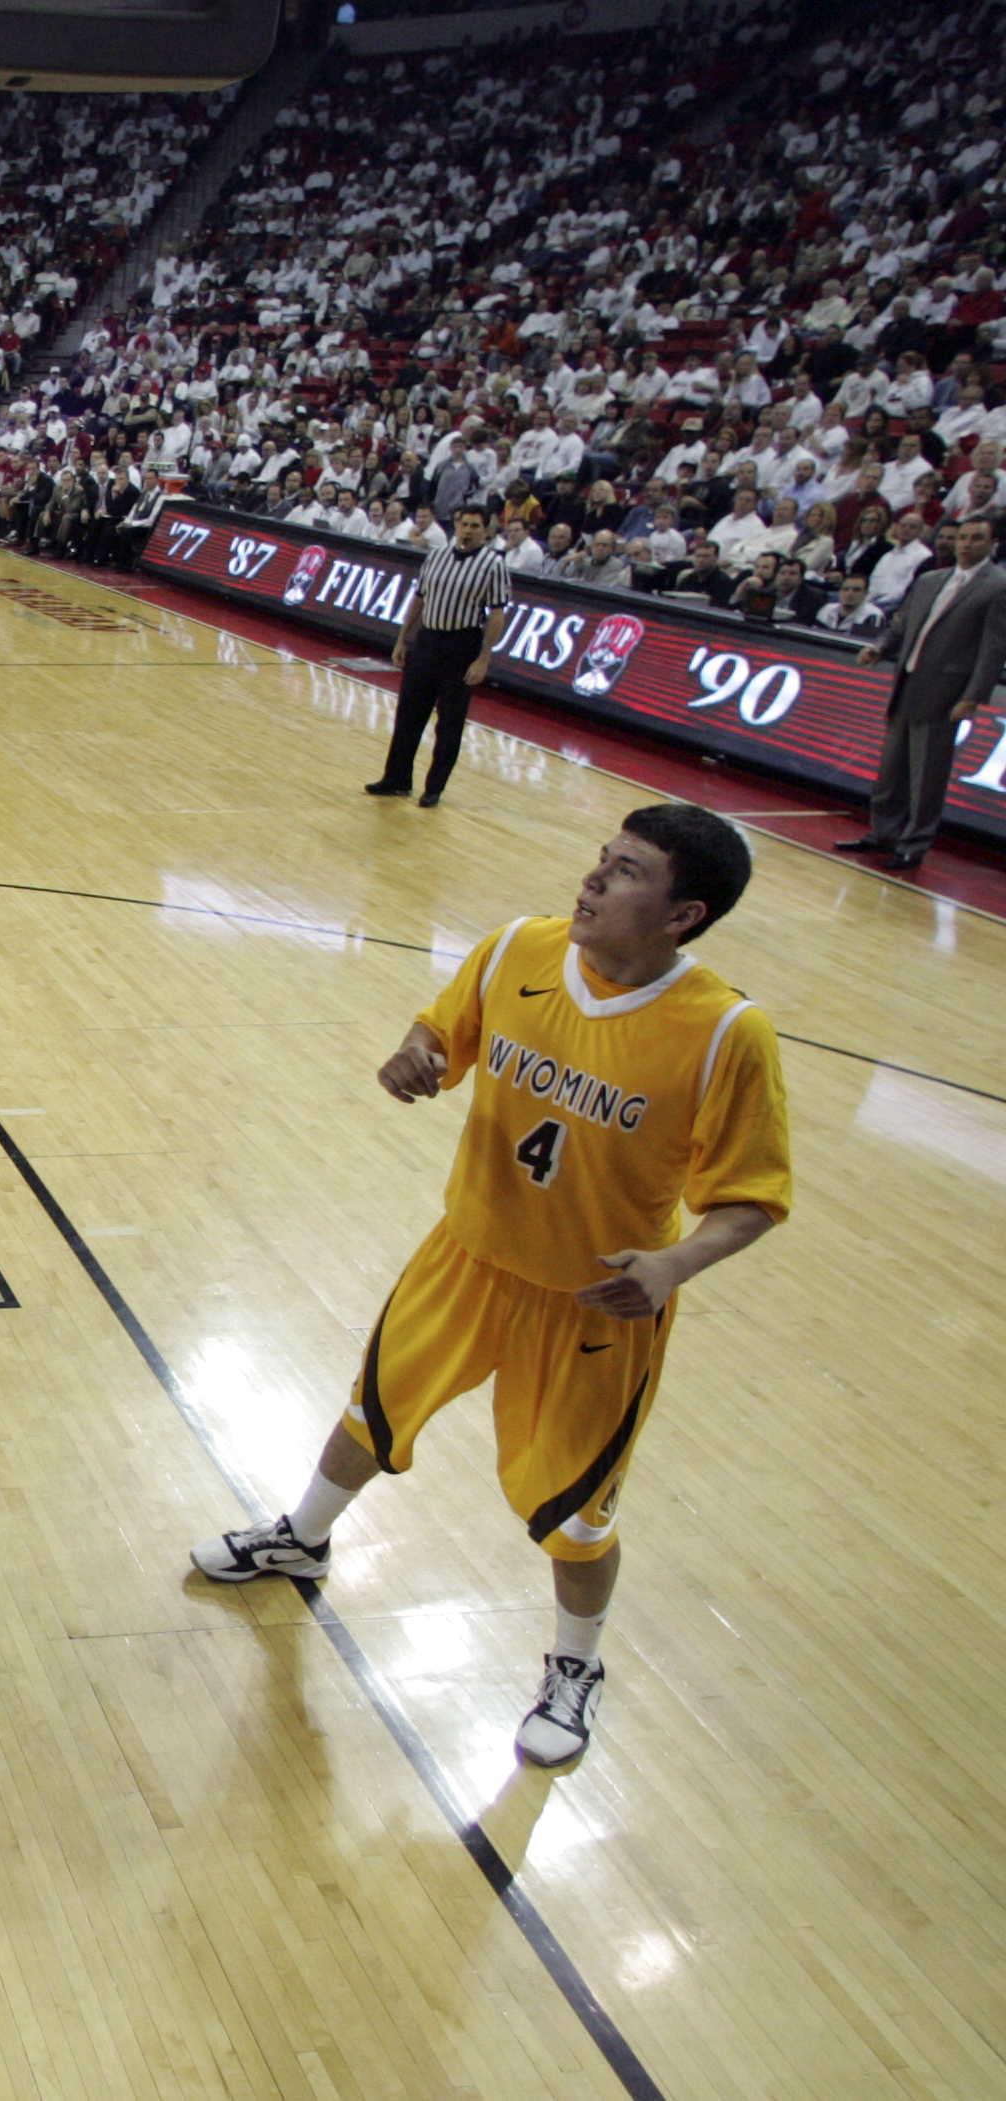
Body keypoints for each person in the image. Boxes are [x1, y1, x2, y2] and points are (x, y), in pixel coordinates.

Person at [191, 807, 791, 1767]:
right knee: (370, 1411)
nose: (592, 880)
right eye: (600, 859)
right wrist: (415, 1057)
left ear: (683, 915)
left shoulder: (726, 1032)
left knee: (577, 1513)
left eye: (626, 871)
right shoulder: (519, 946)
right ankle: (302, 1537)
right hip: (466, 1254)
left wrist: (675, 1263)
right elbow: (439, 1031)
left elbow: (754, 1198)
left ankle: (575, 1665)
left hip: (596, 1303)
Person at [837, 516, 1006, 873]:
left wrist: (973, 696)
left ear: (992, 544)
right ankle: (883, 834)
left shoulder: (998, 585)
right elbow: (900, 624)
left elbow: (994, 648)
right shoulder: (930, 579)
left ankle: (914, 845)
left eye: (977, 538)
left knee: (927, 776)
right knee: (890, 770)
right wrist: (879, 648)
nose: (967, 544)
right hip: (908, 684)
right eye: (962, 537)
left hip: (946, 693)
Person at [368, 505, 513, 808]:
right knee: (408, 714)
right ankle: (396, 779)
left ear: (485, 531)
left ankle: (434, 788)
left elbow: (497, 616)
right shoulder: (436, 556)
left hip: (462, 645)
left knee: (449, 723)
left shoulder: (493, 564)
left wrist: (483, 658)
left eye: (475, 525)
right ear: (455, 526)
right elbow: (419, 599)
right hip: (427, 641)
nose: (468, 530)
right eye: (464, 524)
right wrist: (402, 638)